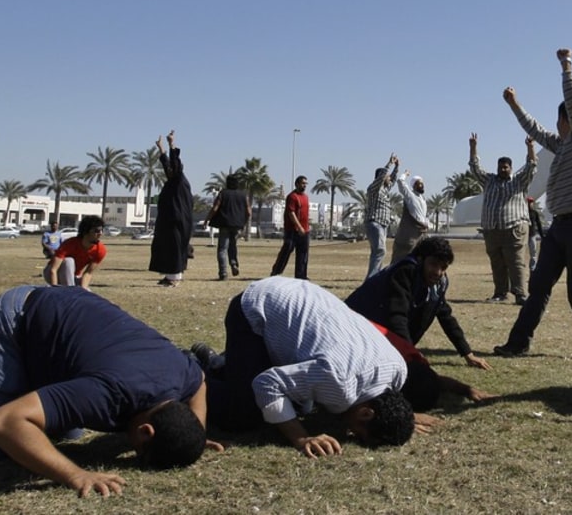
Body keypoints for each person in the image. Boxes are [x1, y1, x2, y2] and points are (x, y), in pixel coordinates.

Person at [0, 286, 220, 497]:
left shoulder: (181, 373)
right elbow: (4, 422)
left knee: (68, 430)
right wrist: (75, 474)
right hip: (17, 319)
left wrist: (194, 432)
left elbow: (199, 382)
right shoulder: (107, 394)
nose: (131, 454)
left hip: (66, 312)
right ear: (145, 432)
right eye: (139, 453)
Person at [203, 277, 415, 457]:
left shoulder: (398, 369)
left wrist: (405, 415)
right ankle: (192, 374)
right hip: (256, 307)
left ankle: (222, 365)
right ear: (366, 414)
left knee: (297, 405)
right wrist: (301, 437)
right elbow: (266, 383)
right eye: (357, 433)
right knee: (243, 414)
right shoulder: (340, 382)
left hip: (293, 294)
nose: (349, 432)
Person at [493, 48, 572, 360]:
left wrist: (566, 65)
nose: (555, 125)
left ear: (567, 119)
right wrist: (515, 106)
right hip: (560, 225)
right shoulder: (560, 146)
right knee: (539, 286)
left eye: (560, 119)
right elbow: (534, 129)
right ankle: (518, 343)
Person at [347, 236, 490, 370]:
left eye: (443, 267)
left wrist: (468, 354)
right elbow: (396, 316)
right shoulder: (404, 272)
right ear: (420, 259)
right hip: (353, 333)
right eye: (433, 264)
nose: (438, 272)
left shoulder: (437, 284)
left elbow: (445, 316)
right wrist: (411, 353)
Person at [469, 133, 537, 304]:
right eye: (500, 167)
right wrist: (473, 147)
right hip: (492, 229)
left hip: (514, 228)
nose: (502, 169)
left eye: (506, 167)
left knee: (516, 262)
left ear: (511, 168)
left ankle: (521, 295)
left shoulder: (519, 181)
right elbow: (475, 169)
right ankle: (500, 293)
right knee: (497, 262)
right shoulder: (489, 180)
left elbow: (531, 166)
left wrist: (530, 147)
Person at [150, 131, 193, 287]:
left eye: (171, 169)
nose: (168, 171)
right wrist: (160, 148)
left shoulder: (179, 180)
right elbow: (166, 163)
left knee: (175, 248)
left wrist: (171, 144)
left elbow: (174, 162)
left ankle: (175, 278)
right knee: (167, 247)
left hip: (178, 220)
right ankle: (170, 276)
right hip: (170, 220)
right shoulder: (172, 181)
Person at [206, 173, 250, 280]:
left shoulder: (223, 193)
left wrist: (207, 219)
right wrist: (244, 223)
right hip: (237, 225)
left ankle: (223, 273)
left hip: (224, 224)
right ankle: (234, 263)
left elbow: (215, 208)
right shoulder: (243, 195)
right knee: (233, 246)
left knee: (222, 249)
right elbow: (249, 211)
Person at [44, 215, 106, 290]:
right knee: (69, 261)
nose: (100, 233)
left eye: (102, 230)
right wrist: (55, 290)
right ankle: (70, 292)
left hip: (73, 276)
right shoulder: (69, 244)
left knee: (87, 293)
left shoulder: (100, 250)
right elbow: (53, 270)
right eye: (97, 231)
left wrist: (83, 290)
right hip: (53, 273)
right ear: (86, 231)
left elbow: (88, 273)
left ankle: (72, 291)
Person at [363, 154, 399, 278]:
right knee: (380, 250)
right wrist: (389, 163)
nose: (389, 178)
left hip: (383, 225)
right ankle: (371, 278)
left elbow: (393, 179)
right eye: (387, 176)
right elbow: (383, 176)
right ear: (381, 177)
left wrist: (397, 167)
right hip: (375, 222)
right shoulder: (374, 188)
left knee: (378, 252)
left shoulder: (385, 190)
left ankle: (374, 276)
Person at [270, 175, 310, 280]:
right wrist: (299, 227)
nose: (304, 185)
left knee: (303, 254)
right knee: (286, 251)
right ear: (297, 184)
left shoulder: (305, 197)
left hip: (305, 231)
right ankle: (276, 272)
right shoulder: (292, 197)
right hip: (292, 231)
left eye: (306, 183)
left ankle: (301, 275)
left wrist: (306, 228)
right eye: (302, 183)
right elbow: (291, 213)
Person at [389, 170, 429, 263]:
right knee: (401, 258)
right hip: (410, 234)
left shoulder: (423, 199)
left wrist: (426, 225)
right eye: (419, 184)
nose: (422, 185)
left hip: (421, 233)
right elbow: (400, 182)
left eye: (422, 183)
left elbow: (423, 216)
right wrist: (405, 174)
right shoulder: (410, 195)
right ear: (414, 185)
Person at [526, 197, 544, 271]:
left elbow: (539, 224)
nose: (530, 204)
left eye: (531, 202)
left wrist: (542, 235)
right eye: (528, 202)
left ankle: (533, 269)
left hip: (532, 234)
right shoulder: (523, 212)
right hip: (523, 235)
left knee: (533, 252)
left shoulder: (535, 213)